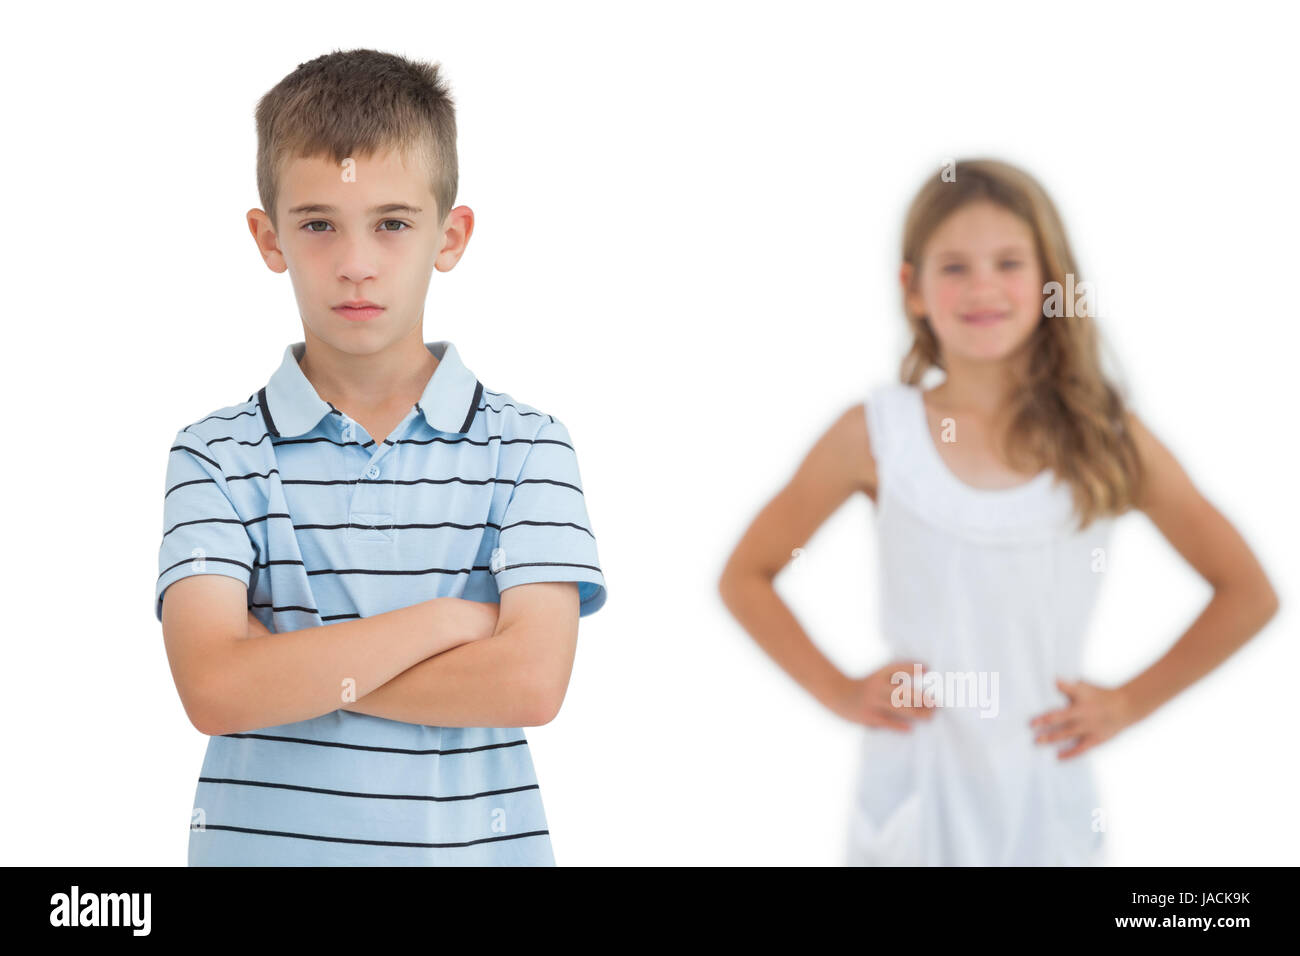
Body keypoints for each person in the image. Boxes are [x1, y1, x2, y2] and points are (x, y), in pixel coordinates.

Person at [717, 158, 1278, 866]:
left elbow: (1247, 592)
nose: (982, 286)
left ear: (1049, 283)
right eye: (954, 267)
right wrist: (838, 689)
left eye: (1008, 262)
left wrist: (1130, 702)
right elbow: (747, 574)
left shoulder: (1105, 435)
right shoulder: (877, 434)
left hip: (1045, 796)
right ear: (911, 289)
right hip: (916, 794)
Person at [155, 49, 606, 865]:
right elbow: (214, 690)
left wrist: (284, 667)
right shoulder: (215, 456)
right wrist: (452, 624)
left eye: (392, 223)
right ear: (269, 237)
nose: (356, 262)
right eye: (318, 223)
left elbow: (531, 683)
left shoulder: (529, 446)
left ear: (450, 234)